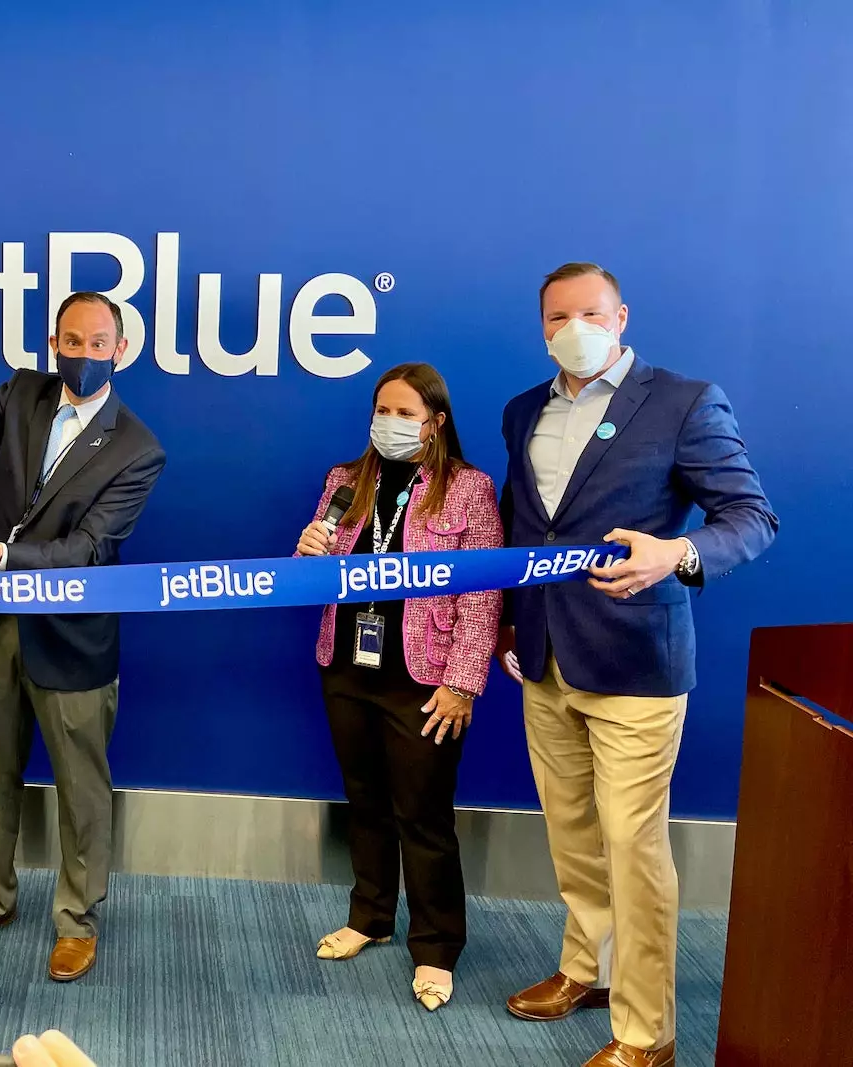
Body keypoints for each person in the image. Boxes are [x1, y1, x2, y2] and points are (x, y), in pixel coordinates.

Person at [496, 263, 777, 1067]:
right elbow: (529, 526)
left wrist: (677, 552)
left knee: (633, 842)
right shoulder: (524, 410)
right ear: (542, 325)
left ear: (621, 316)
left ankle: (645, 1030)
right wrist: (510, 626)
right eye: (557, 315)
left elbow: (752, 517)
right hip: (545, 656)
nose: (573, 326)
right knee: (573, 832)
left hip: (635, 664)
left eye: (590, 311)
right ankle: (586, 968)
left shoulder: (684, 402)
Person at [0, 291, 165, 982]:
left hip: (72, 638)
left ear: (121, 349)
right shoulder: (23, 393)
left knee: (81, 785)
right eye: (70, 341)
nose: (82, 354)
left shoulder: (138, 449)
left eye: (96, 342)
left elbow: (88, 548)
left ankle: (77, 918)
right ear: (53, 342)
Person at [294, 362, 502, 1012]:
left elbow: (484, 589)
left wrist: (463, 683)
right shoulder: (345, 481)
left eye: (407, 413)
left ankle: (437, 947)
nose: (391, 422)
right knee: (365, 802)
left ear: (436, 421)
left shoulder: (469, 489)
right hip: (346, 668)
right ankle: (370, 915)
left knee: (425, 816)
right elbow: (314, 576)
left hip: (425, 679)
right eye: (383, 409)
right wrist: (306, 555)